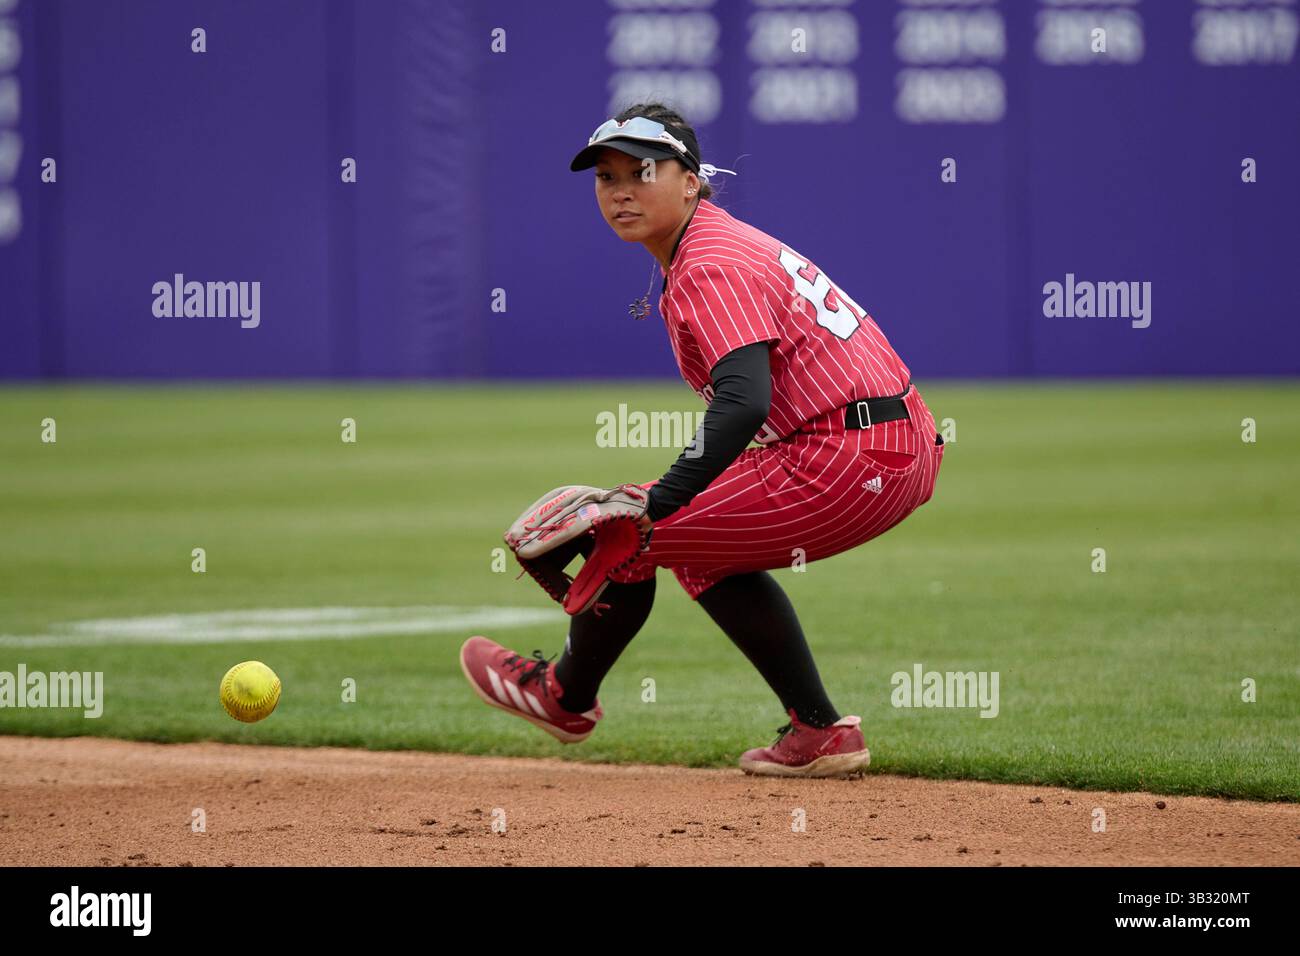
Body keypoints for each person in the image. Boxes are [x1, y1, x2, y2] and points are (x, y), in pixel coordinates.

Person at [461, 103, 945, 777]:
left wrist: (660, 498)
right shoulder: (712, 243)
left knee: (625, 530)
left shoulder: (709, 261)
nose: (621, 190)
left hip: (848, 454)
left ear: (690, 180)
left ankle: (563, 696)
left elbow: (746, 402)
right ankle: (820, 732)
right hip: (885, 440)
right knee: (700, 551)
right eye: (606, 176)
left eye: (643, 171)